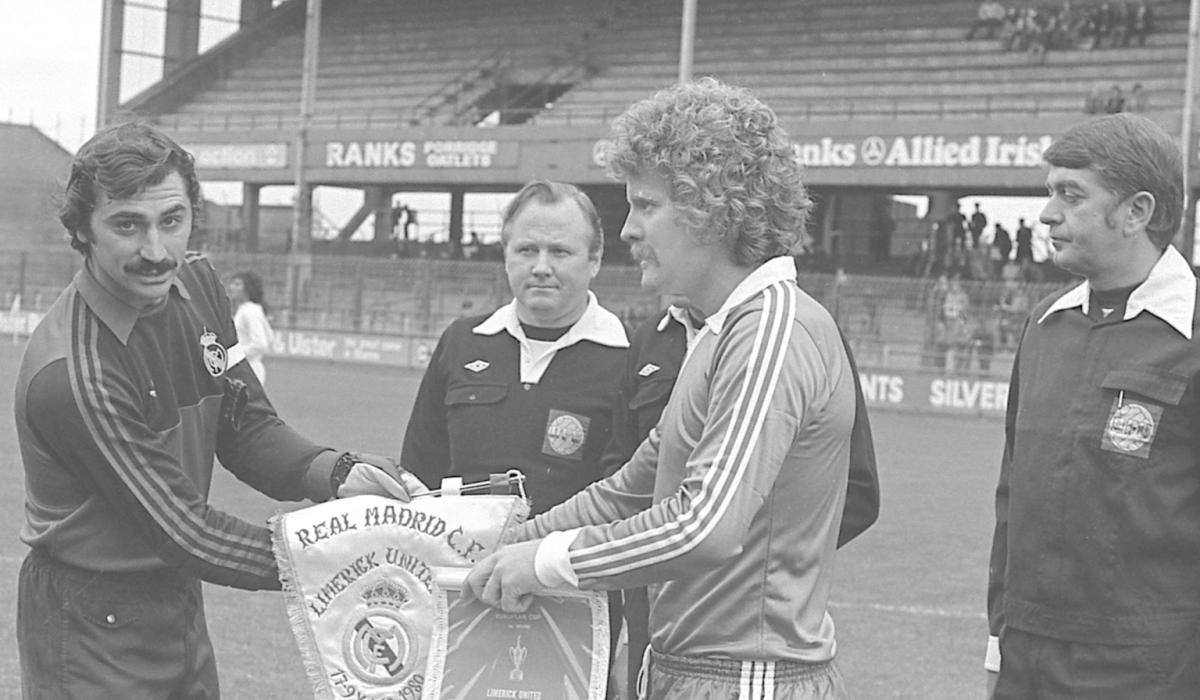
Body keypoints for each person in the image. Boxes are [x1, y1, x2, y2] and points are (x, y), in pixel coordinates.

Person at [466, 78, 857, 699]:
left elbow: (704, 526)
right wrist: (501, 542)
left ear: (712, 207)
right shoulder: (717, 331)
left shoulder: (770, 331)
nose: (626, 229)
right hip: (688, 669)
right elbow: (629, 492)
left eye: (645, 205)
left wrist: (544, 564)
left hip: (747, 679)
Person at [13, 122, 427, 699]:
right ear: (82, 229)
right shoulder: (73, 374)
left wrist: (335, 472)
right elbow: (184, 530)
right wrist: (340, 555)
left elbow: (244, 423)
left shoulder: (199, 284)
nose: (156, 251)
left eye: (171, 220)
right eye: (127, 224)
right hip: (91, 617)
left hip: (175, 597)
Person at [986, 113, 1199, 699]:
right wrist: (997, 637)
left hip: (1151, 667)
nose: (1048, 214)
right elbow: (1013, 494)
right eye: (1049, 192)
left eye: (1071, 195)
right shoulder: (1045, 326)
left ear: (1137, 211)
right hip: (1025, 655)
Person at [600, 299, 882, 698]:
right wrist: (519, 544)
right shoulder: (659, 338)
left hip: (741, 653)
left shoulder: (786, 334)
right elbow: (628, 480)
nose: (629, 233)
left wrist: (753, 565)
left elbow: (858, 488)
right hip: (661, 628)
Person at [401, 179, 629, 517]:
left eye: (560, 251)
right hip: (460, 564)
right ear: (505, 255)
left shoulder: (628, 358)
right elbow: (420, 476)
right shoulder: (462, 341)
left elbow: (629, 500)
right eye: (526, 250)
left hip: (565, 566)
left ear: (594, 260)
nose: (541, 267)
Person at [228, 270, 273, 385]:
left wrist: (233, 356)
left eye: (237, 284)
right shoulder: (247, 310)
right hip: (243, 369)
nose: (231, 287)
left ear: (248, 288)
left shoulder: (250, 312)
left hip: (249, 370)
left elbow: (260, 344)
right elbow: (270, 336)